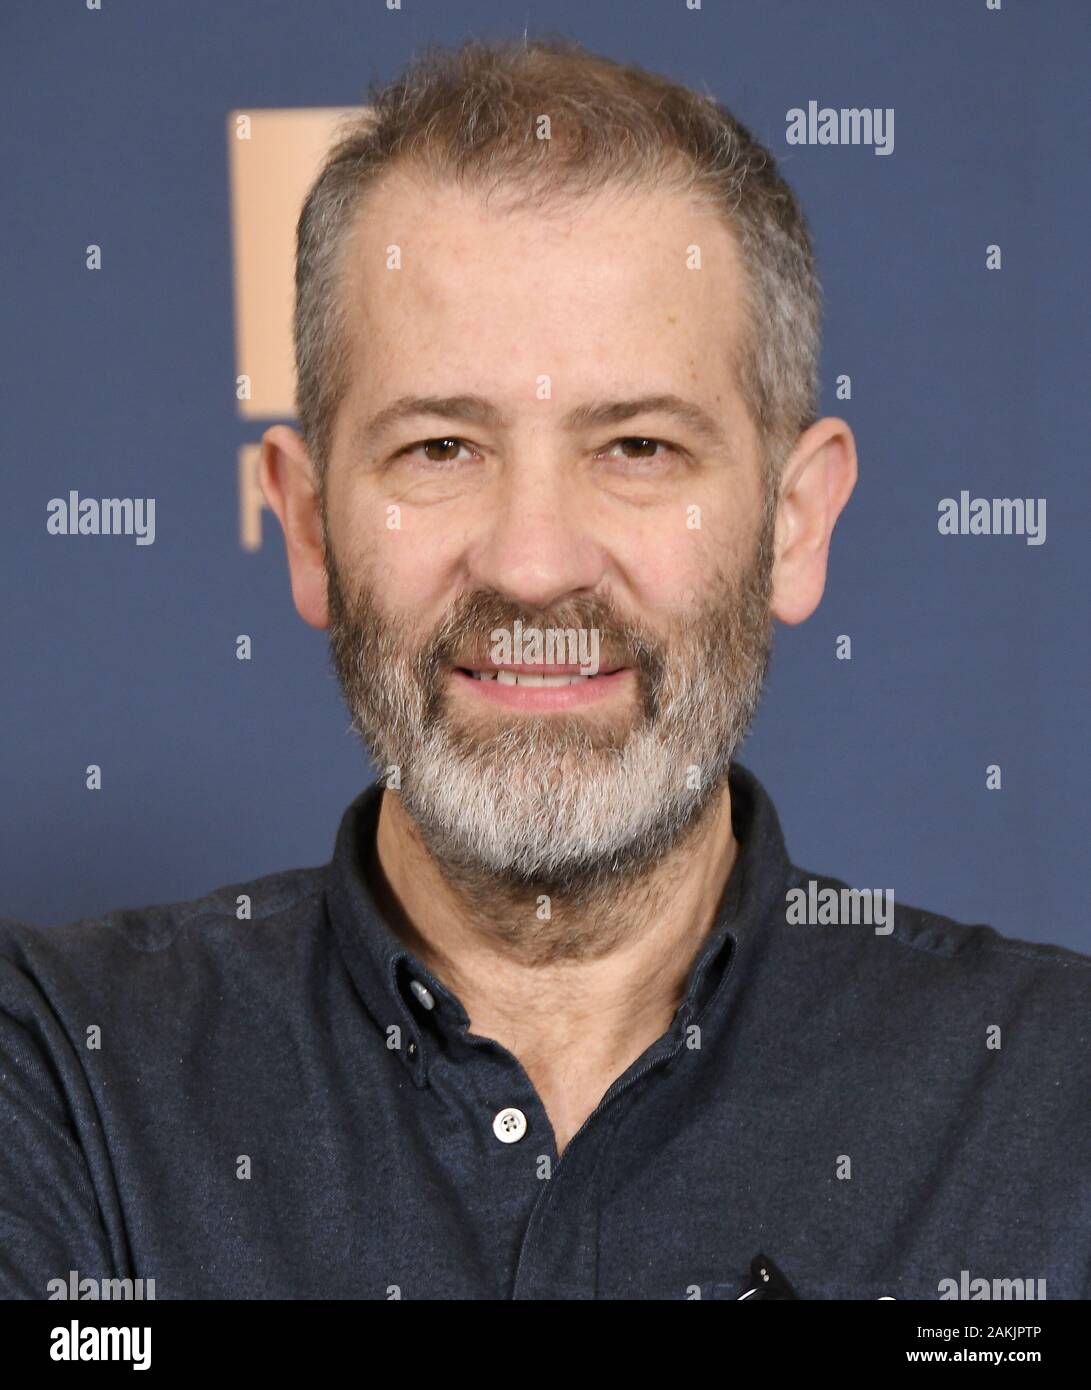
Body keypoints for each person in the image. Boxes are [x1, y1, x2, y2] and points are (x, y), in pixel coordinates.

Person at [3, 36, 1088, 1301]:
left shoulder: (1050, 1101)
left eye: (634, 445)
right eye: (440, 446)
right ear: (305, 525)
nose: (529, 564)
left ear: (794, 522)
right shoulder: (65, 1079)